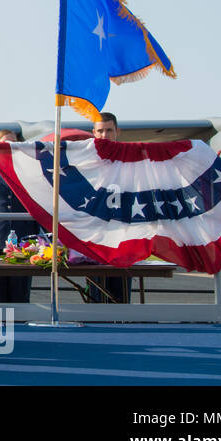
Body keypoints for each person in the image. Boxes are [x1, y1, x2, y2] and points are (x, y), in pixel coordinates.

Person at [0, 129, 39, 303]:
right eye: (4, 143)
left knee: (20, 292)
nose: (8, 147)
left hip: (24, 239)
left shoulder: (29, 173)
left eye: (13, 143)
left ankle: (20, 328)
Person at [87, 111, 131, 304]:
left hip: (123, 233)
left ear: (117, 131)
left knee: (120, 291)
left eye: (109, 130)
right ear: (93, 132)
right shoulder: (85, 162)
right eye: (100, 131)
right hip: (94, 235)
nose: (104, 135)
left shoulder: (130, 159)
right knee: (95, 292)